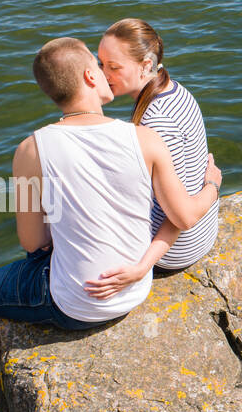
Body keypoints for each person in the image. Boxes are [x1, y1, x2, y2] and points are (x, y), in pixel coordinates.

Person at [0, 36, 221, 412]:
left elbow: (32, 242)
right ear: (89, 76)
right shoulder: (145, 139)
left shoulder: (31, 149)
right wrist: (212, 185)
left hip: (75, 305)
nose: (106, 72)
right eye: (100, 65)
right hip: (135, 288)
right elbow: (182, 215)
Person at [83, 19, 219, 302]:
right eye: (101, 63)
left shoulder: (156, 123)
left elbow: (183, 216)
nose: (102, 74)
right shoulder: (172, 88)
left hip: (176, 249)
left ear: (145, 65)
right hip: (202, 234)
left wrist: (140, 269)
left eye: (113, 67)